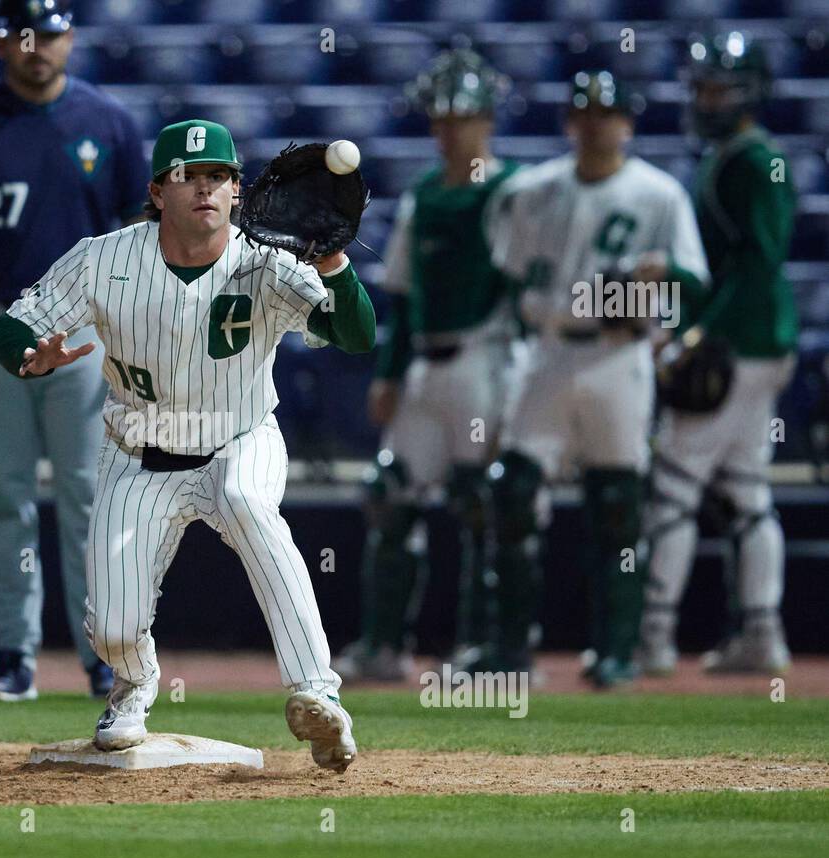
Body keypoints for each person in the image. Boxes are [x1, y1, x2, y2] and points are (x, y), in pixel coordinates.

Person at [0, 120, 375, 771]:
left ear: (237, 191)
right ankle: (134, 686)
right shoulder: (104, 259)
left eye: (218, 176)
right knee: (111, 623)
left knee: (250, 505)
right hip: (138, 455)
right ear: (156, 191)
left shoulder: (268, 261)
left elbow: (357, 336)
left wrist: (333, 261)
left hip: (239, 439)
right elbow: (10, 327)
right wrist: (31, 355)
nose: (204, 188)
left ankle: (316, 694)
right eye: (186, 176)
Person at [0, 0, 150, 701]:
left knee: (89, 494)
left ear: (69, 38)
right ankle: (14, 653)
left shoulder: (109, 124)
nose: (35, 46)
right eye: (21, 33)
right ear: (0, 41)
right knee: (2, 495)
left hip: (81, 329)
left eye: (48, 32)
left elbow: (140, 237)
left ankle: (103, 650)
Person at [479, 71, 709, 687]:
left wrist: (661, 282)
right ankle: (510, 649)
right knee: (513, 491)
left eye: (607, 113)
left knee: (616, 506)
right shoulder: (534, 189)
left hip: (619, 352)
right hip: (549, 349)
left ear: (627, 123)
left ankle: (616, 652)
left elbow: (694, 283)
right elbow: (506, 266)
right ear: (569, 122)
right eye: (585, 112)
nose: (596, 124)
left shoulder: (659, 194)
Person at [336, 49, 522, 682]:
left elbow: (525, 288)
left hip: (485, 359)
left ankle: (484, 647)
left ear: (487, 119)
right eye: (440, 119)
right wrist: (388, 371)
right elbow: (404, 293)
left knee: (482, 502)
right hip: (425, 365)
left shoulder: (511, 191)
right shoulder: (422, 194)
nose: (449, 130)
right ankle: (383, 646)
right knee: (388, 495)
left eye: (462, 118)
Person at [639, 33, 798, 676]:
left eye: (719, 89)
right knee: (747, 491)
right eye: (702, 87)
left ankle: (650, 636)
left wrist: (698, 336)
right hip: (758, 341)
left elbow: (758, 263)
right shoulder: (738, 156)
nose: (706, 99)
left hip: (742, 345)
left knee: (675, 487)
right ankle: (762, 632)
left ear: (748, 94)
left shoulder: (754, 162)